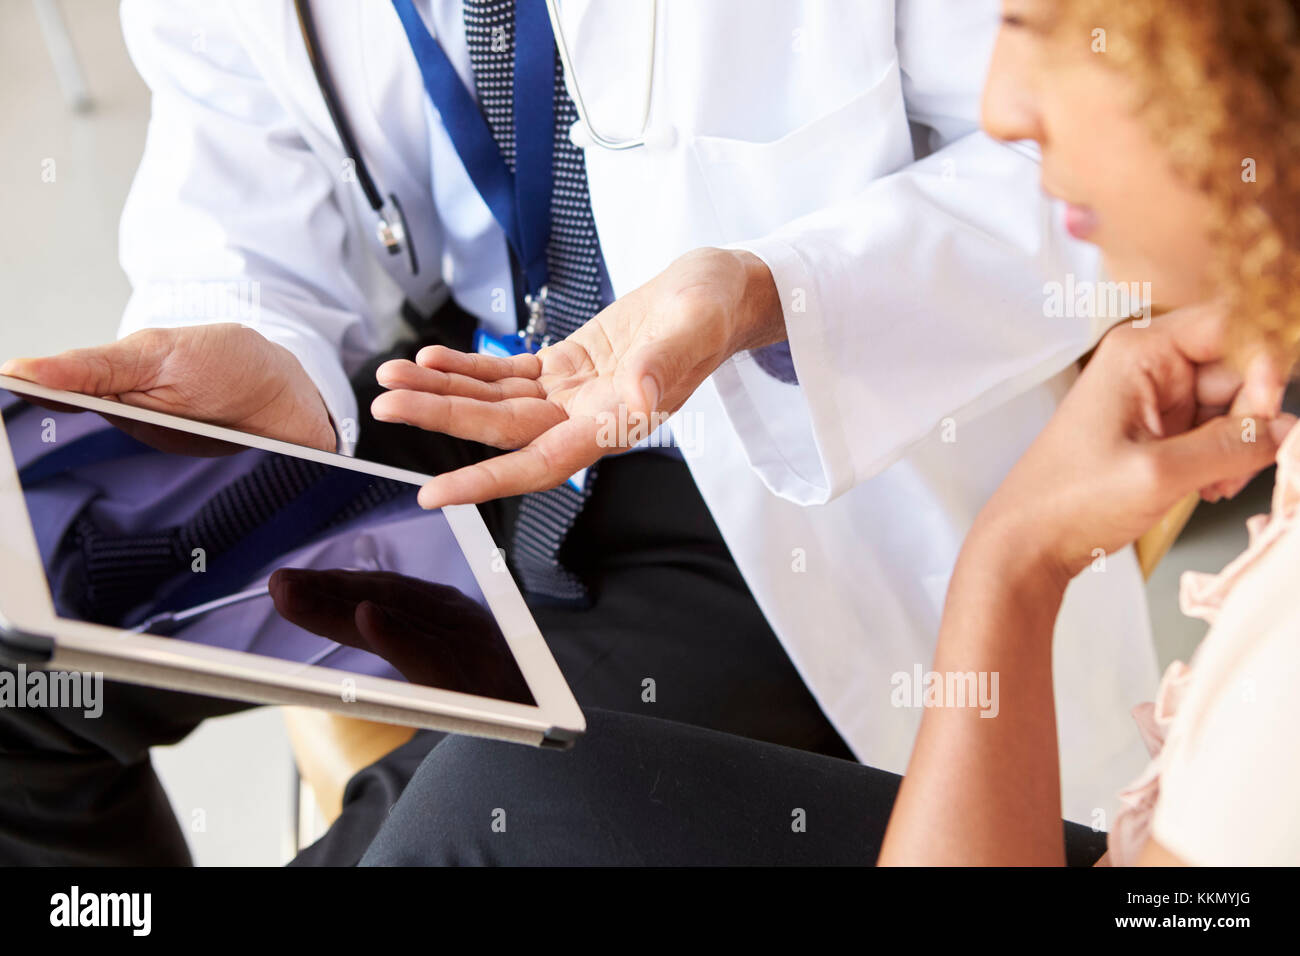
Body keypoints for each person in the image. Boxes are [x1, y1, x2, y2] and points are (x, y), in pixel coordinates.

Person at [4, 0, 1143, 866]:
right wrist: (253, 335)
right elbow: (242, 165)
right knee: (20, 642)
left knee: (449, 833)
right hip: (453, 385)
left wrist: (768, 290)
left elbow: (1103, 166)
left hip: (776, 452)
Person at [354, 0, 1300, 866]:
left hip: (788, 517)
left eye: (1038, 23)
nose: (1005, 105)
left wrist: (1012, 555)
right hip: (554, 458)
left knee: (472, 812)